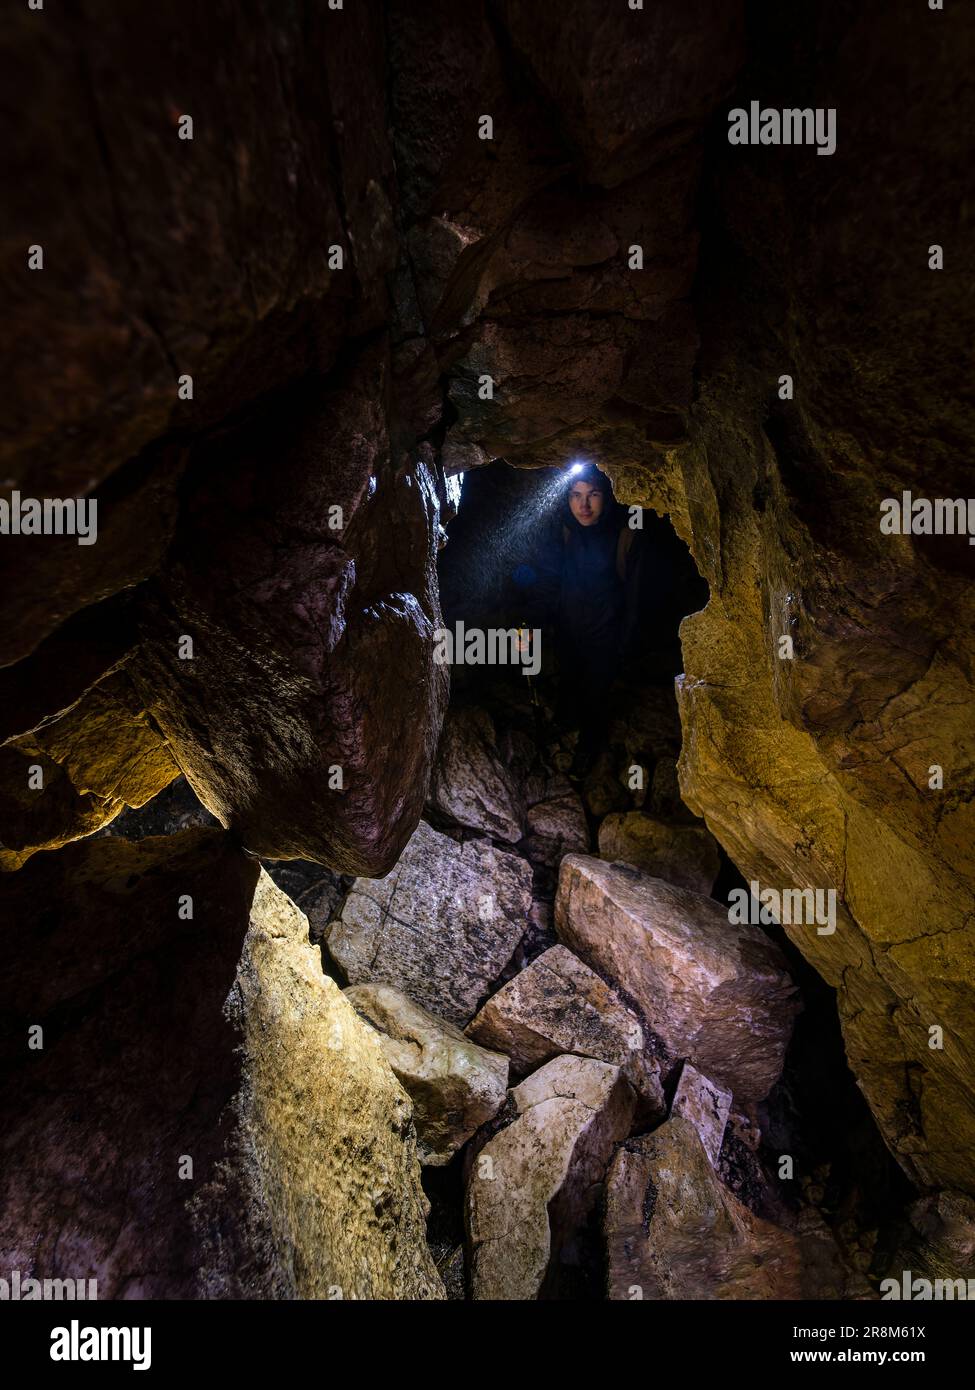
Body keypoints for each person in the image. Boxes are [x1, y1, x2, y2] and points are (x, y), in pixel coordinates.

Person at [512, 464, 644, 777]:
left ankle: (588, 751)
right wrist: (530, 622)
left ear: (606, 496)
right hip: (569, 629)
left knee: (596, 698)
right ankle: (565, 722)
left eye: (593, 494)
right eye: (576, 495)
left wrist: (626, 645)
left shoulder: (625, 536)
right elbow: (549, 581)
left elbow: (636, 598)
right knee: (569, 681)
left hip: (605, 636)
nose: (583, 505)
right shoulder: (565, 531)